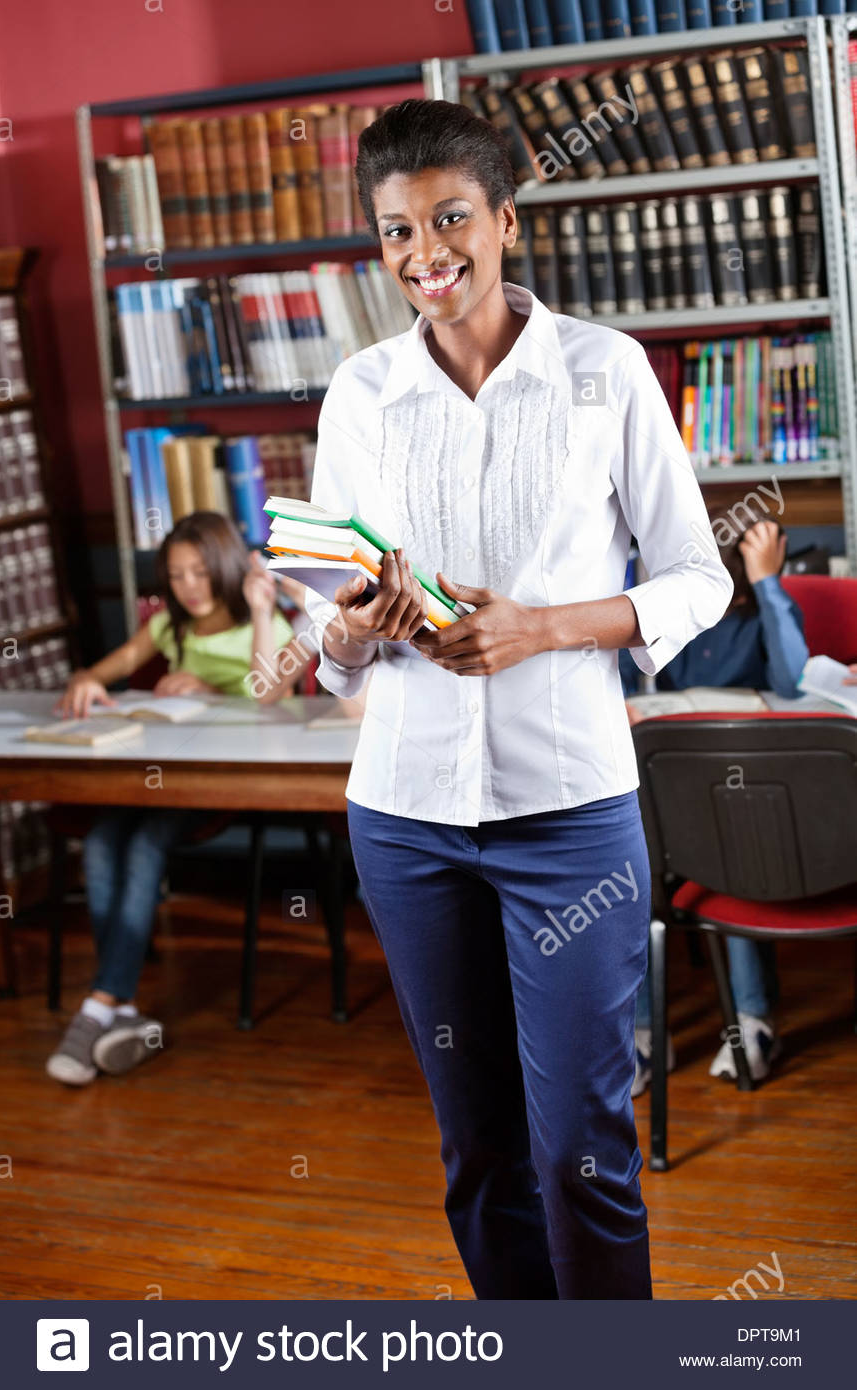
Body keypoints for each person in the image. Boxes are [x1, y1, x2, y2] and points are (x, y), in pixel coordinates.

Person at [302, 99, 733, 1300]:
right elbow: (324, 632)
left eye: (448, 217)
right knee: (475, 1145)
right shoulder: (358, 395)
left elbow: (699, 576)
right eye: (394, 232)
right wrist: (349, 625)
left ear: (503, 216)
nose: (424, 253)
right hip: (403, 816)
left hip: (569, 815)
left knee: (580, 1146)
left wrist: (538, 627)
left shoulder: (604, 373)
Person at [46, 511, 298, 1087]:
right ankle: (120, 1008)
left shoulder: (268, 626)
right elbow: (109, 669)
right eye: (177, 575)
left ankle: (100, 1004)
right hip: (158, 776)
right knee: (104, 839)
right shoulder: (169, 627)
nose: (190, 586)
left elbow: (268, 696)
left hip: (225, 784)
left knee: (143, 847)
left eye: (201, 572)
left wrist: (236, 651)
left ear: (228, 568)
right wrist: (86, 678)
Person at [625, 506, 809, 1097]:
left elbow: (792, 680)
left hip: (747, 794)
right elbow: (625, 688)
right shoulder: (669, 612)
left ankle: (751, 1022)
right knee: (631, 870)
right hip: (673, 787)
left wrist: (766, 581)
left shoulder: (759, 614)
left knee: (731, 855)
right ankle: (644, 1032)